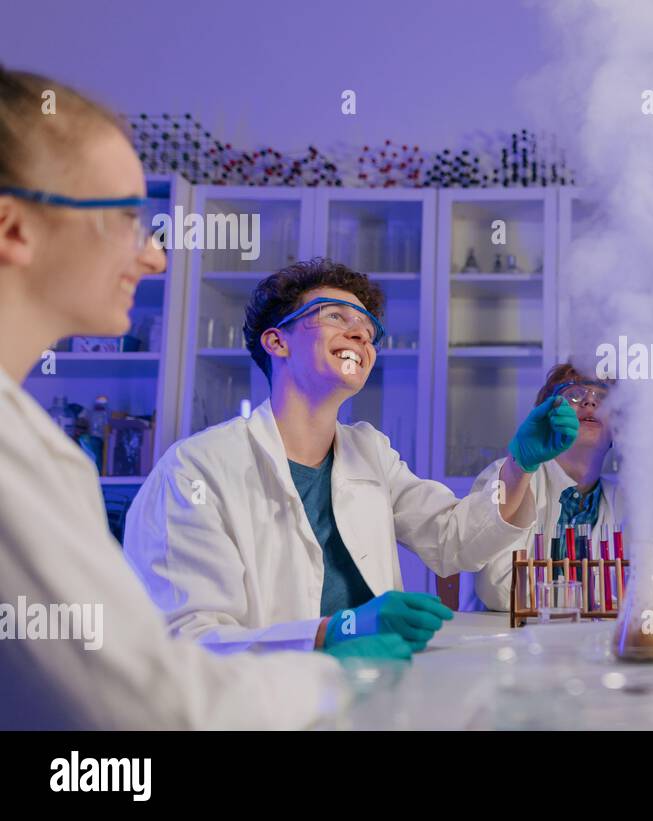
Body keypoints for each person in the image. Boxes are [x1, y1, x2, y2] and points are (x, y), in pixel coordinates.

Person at [0, 65, 399, 729]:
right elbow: (144, 704)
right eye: (125, 218)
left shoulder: (26, 441)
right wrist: (339, 669)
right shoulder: (22, 461)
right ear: (14, 228)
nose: (156, 257)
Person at [123, 258, 578, 654]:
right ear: (276, 342)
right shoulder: (197, 469)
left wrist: (519, 465)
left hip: (377, 690)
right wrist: (334, 631)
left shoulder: (369, 451)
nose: (361, 333)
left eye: (368, 329)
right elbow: (189, 639)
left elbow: (454, 541)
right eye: (336, 316)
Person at [469, 363, 624, 611]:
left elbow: (633, 590)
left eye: (602, 398)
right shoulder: (508, 476)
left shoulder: (623, 501)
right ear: (545, 417)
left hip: (591, 644)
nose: (590, 403)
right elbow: (500, 588)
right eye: (574, 395)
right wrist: (590, 599)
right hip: (507, 642)